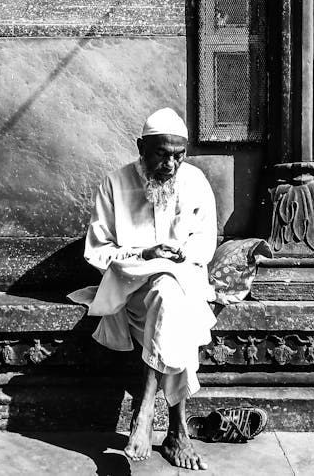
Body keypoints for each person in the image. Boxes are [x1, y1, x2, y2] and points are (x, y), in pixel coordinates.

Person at [72, 108, 218, 470]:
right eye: (162, 154)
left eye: (179, 155)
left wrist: (178, 255)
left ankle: (146, 403)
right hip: (131, 288)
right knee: (168, 302)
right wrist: (143, 254)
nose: (171, 164)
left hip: (180, 284)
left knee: (169, 294)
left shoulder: (195, 181)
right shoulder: (115, 183)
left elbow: (205, 245)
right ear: (141, 147)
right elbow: (97, 251)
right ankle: (176, 432)